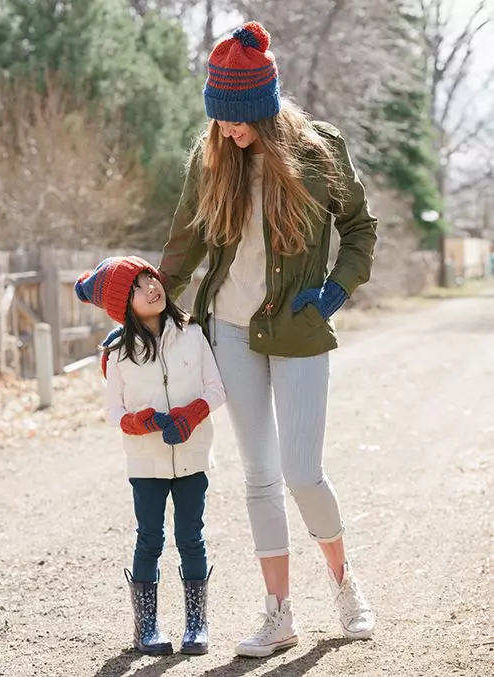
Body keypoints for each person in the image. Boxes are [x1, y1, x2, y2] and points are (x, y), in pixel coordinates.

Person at [159, 21, 378, 658]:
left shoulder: (319, 151)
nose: (227, 129)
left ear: (264, 104)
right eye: (219, 117)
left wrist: (336, 290)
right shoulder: (210, 159)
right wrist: (139, 311)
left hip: (300, 329)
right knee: (258, 476)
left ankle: (345, 585)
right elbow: (184, 244)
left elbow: (360, 229)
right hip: (229, 329)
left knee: (302, 472)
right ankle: (278, 613)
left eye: (237, 118)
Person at [74, 256, 225, 656]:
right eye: (137, 287)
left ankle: (196, 624)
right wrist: (141, 423)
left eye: (150, 278)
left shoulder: (192, 333)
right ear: (124, 304)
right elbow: (112, 412)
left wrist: (192, 414)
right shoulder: (118, 353)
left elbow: (216, 389)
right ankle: (147, 627)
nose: (150, 288)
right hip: (145, 463)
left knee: (192, 538)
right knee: (149, 540)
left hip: (192, 456)